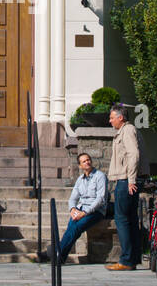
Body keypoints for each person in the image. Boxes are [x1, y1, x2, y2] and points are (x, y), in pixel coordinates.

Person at [105, 104, 144, 271]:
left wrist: (131, 180)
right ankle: (133, 258)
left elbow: (133, 154)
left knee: (122, 219)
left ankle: (126, 260)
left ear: (121, 117)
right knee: (130, 220)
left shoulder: (127, 131)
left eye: (112, 117)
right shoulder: (127, 131)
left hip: (125, 180)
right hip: (126, 179)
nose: (110, 120)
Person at [56, 152, 109, 261]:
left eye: (88, 160)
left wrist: (84, 213)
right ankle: (60, 256)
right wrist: (72, 209)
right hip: (81, 209)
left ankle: (58, 254)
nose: (87, 162)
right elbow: (73, 198)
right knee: (71, 226)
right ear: (80, 166)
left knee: (76, 227)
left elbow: (100, 199)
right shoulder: (80, 180)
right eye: (84, 161)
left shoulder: (100, 176)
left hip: (96, 211)